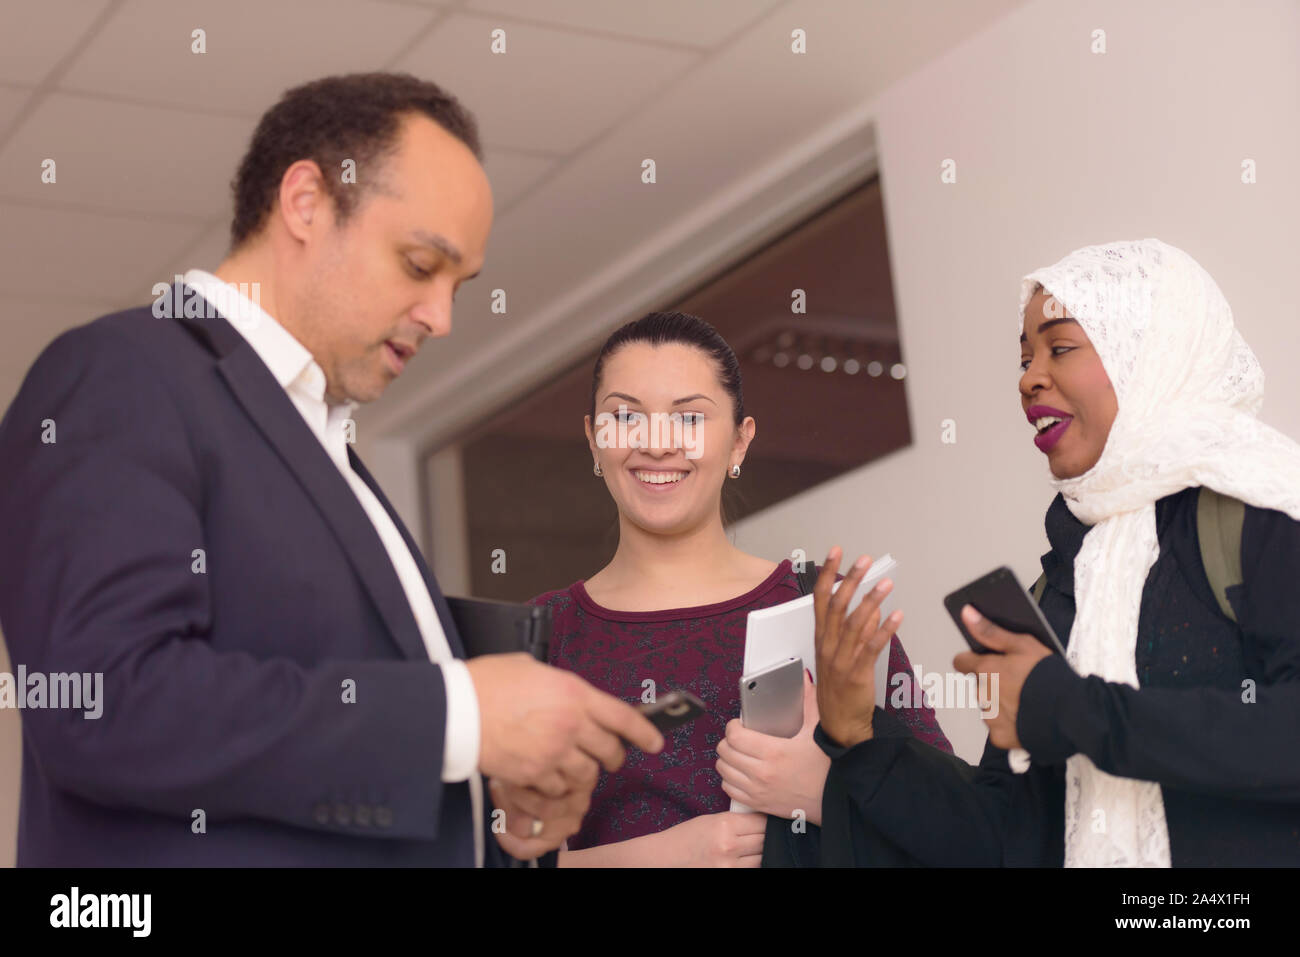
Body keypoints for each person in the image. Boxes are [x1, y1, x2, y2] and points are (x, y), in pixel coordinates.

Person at [0, 72, 662, 867]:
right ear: (307, 201)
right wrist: (461, 716)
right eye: (421, 264)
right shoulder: (121, 374)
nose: (443, 318)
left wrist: (483, 794)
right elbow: (100, 699)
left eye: (459, 285)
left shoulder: (328, 449)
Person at [811, 238, 1300, 866]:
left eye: (1060, 347)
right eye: (1024, 356)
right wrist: (860, 738)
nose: (1028, 377)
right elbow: (1002, 838)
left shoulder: (1260, 508)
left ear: (1150, 354)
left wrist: (1068, 709)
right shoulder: (1061, 584)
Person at [528, 311, 952, 866]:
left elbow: (953, 828)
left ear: (739, 443)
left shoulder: (824, 606)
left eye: (689, 419)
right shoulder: (544, 634)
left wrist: (826, 796)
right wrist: (665, 858)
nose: (657, 445)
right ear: (593, 439)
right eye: (626, 416)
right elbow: (494, 854)